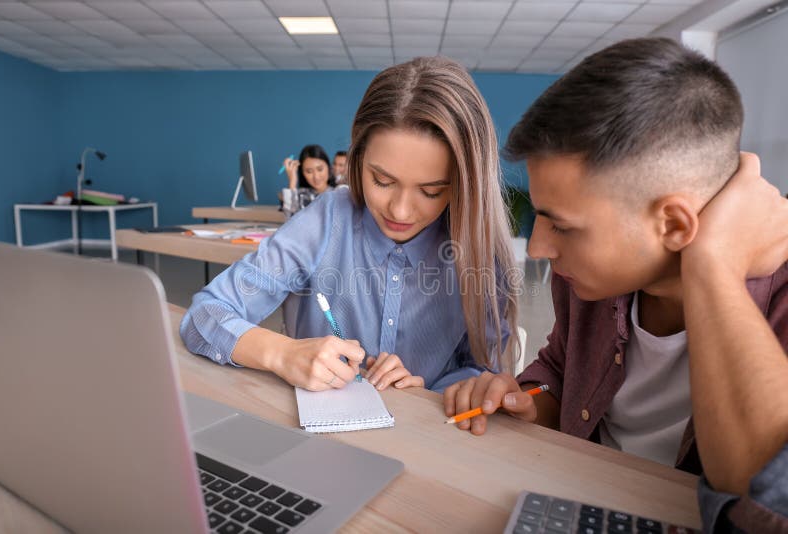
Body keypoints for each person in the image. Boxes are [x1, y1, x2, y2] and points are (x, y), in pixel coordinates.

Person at [442, 38, 788, 531]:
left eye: (561, 225)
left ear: (672, 225)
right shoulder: (587, 280)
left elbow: (766, 497)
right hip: (582, 499)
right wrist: (525, 396)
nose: (538, 248)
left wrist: (713, 263)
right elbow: (557, 372)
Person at [181, 56, 520, 394]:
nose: (400, 211)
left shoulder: (477, 250)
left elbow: (481, 369)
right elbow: (204, 316)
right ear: (357, 159)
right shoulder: (329, 217)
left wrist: (431, 391)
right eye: (382, 181)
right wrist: (283, 354)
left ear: (464, 185)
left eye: (431, 191)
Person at [281, 144, 337, 214]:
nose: (316, 177)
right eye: (309, 171)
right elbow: (290, 221)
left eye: (320, 169)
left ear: (328, 167)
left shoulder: (339, 193)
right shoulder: (301, 196)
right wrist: (292, 181)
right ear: (302, 173)